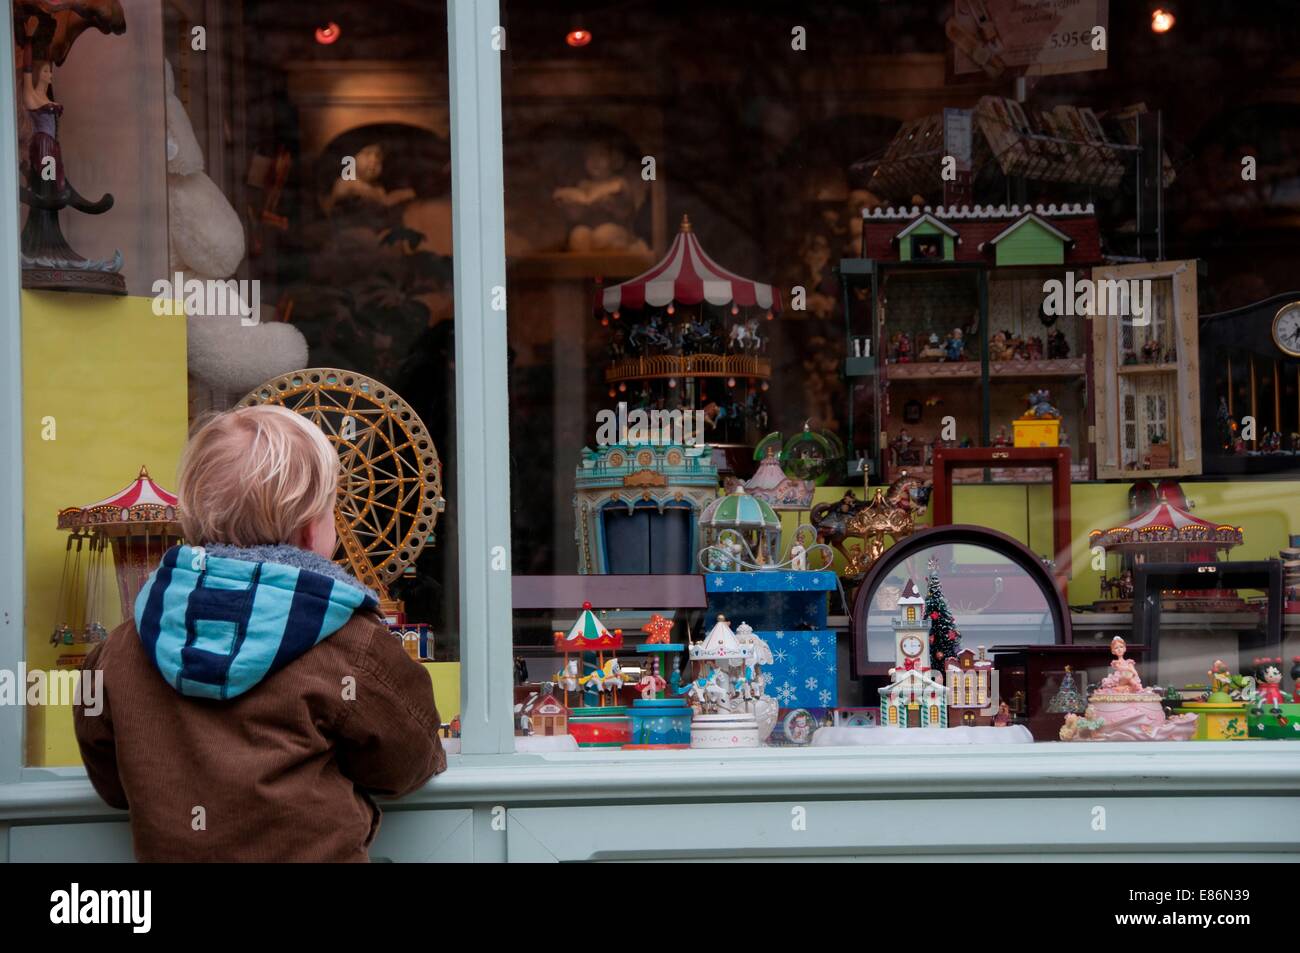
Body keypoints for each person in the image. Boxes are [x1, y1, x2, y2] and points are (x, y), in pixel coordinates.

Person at [74, 405, 446, 861]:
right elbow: (407, 760)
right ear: (312, 532)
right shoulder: (349, 644)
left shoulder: (121, 648)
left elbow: (111, 779)